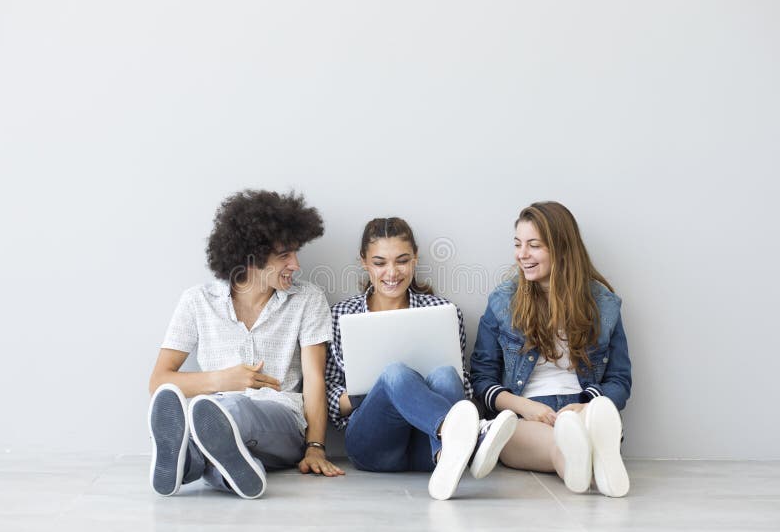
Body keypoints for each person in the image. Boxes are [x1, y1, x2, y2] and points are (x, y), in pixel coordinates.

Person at [147, 189, 344, 500]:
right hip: (214, 410)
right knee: (219, 426)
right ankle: (216, 467)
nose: (296, 264)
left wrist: (316, 447)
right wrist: (224, 380)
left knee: (229, 410)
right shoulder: (197, 301)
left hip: (282, 422)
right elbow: (159, 382)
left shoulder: (308, 299)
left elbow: (315, 380)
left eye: (295, 252)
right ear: (251, 257)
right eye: (284, 255)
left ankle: (190, 455)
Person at [325, 217, 517, 501]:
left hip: (426, 449)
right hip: (374, 447)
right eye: (379, 263)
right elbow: (329, 398)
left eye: (402, 261)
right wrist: (385, 388)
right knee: (395, 373)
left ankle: (446, 455)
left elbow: (462, 387)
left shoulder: (443, 311)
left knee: (445, 374)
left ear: (415, 259)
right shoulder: (342, 314)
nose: (392, 272)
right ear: (364, 262)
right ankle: (467, 435)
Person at [471, 201, 632, 497]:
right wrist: (524, 407)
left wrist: (587, 405)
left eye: (534, 245)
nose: (522, 254)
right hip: (526, 415)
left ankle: (585, 458)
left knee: (584, 427)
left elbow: (619, 380)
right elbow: (482, 379)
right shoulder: (503, 301)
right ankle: (593, 461)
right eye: (518, 244)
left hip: (584, 409)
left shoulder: (603, 303)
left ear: (561, 248)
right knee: (547, 441)